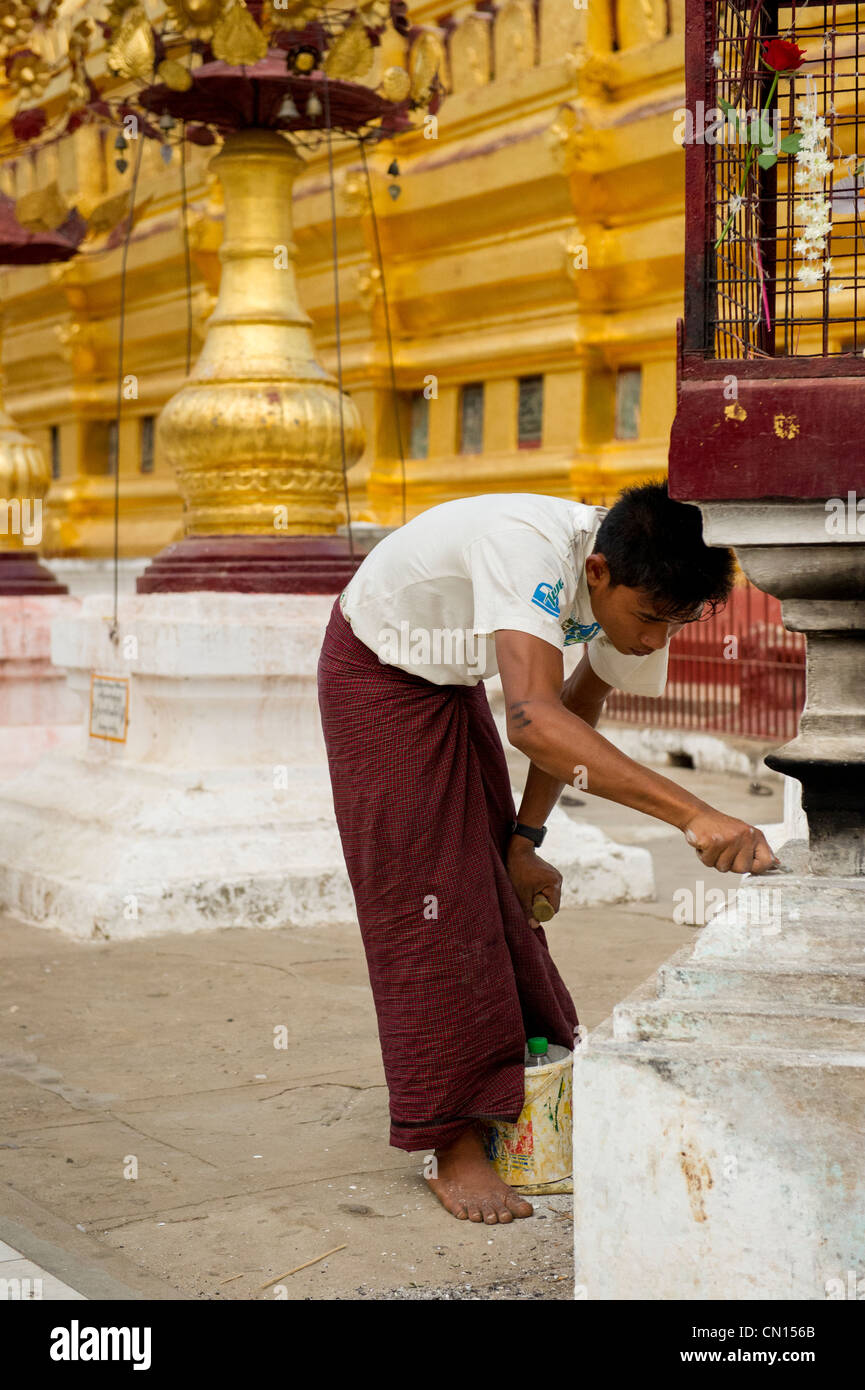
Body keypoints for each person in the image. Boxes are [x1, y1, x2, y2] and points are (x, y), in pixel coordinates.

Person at [316, 482, 777, 1226]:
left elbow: (575, 708)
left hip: (449, 682)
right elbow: (531, 718)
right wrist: (693, 813)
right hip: (376, 675)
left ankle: (513, 1097)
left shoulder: (637, 585)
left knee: (496, 890)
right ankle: (451, 1141)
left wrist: (525, 840)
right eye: (651, 620)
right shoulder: (525, 544)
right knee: (430, 907)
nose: (657, 640)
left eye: (678, 624)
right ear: (596, 575)